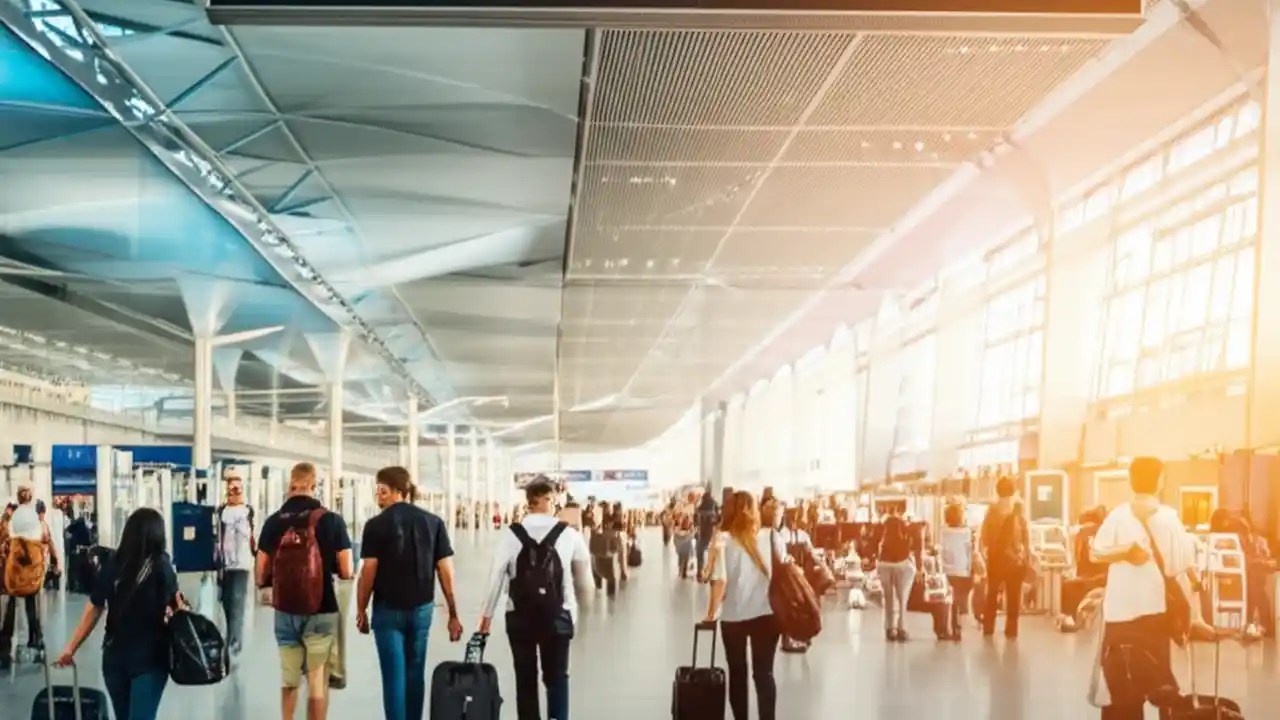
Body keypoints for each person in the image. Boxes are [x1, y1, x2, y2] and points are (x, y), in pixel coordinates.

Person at [356, 467, 463, 720]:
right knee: (415, 674)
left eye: (383, 491)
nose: (378, 496)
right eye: (377, 491)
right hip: (421, 610)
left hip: (387, 611)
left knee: (393, 677)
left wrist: (361, 609)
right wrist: (453, 613)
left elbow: (368, 571)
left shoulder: (375, 525)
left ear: (400, 492)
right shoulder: (433, 522)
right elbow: (445, 570)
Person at [55, 508, 183, 720]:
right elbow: (176, 610)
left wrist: (71, 647)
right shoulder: (162, 566)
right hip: (150, 660)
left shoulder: (113, 563)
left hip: (115, 658)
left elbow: (94, 607)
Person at [479, 477, 590, 720]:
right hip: (559, 618)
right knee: (557, 677)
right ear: (547, 499)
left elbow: (495, 577)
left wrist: (486, 617)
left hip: (519, 618)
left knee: (525, 679)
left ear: (529, 502)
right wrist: (579, 613)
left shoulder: (511, 535)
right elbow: (585, 581)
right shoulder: (569, 534)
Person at [1090, 457, 1192, 720]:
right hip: (1154, 617)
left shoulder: (1117, 515)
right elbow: (1181, 568)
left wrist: (1122, 553)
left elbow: (1095, 553)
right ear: (1159, 482)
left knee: (1120, 693)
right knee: (1159, 689)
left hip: (1118, 619)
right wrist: (1196, 616)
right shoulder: (1170, 519)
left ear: (1131, 482)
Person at [257, 463, 354, 720]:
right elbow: (346, 569)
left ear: (291, 484)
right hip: (322, 609)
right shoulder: (331, 520)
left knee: (289, 681)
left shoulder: (273, 522)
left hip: (285, 609)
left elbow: (260, 571)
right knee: (317, 682)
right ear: (313, 485)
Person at [703, 492, 785, 720]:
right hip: (767, 615)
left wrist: (710, 615)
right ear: (755, 511)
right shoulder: (772, 537)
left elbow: (718, 581)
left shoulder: (723, 540)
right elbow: (783, 570)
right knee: (764, 673)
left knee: (738, 673)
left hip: (733, 618)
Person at [0, 483, 56, 669]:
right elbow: (48, 541)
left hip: (14, 574)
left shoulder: (11, 519)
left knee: (10, 608)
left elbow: (2, 535)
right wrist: (55, 564)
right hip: (32, 574)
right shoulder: (38, 522)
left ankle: (4, 647)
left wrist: (6, 515)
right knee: (32, 607)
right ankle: (35, 640)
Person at [980, 476, 1030, 639]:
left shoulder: (992, 512)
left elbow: (985, 538)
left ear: (997, 491)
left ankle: (988, 628)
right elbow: (1025, 536)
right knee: (1013, 596)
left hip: (995, 559)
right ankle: (1012, 630)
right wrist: (1026, 555)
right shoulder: (1018, 511)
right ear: (1014, 491)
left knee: (992, 594)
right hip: (1015, 561)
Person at [215, 475, 257, 662]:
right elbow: (218, 537)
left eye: (237, 489)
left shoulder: (247, 511)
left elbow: (251, 534)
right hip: (225, 564)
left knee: (237, 602)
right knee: (226, 601)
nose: (233, 492)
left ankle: (234, 643)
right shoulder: (221, 511)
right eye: (230, 489)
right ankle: (231, 637)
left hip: (241, 563)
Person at [939, 502, 980, 641]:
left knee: (949, 599)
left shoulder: (943, 532)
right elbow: (971, 551)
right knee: (960, 600)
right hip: (963, 569)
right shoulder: (967, 532)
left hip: (947, 569)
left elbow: (942, 550)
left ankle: (947, 626)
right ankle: (958, 628)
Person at [878, 505, 916, 642]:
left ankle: (889, 629)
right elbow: (911, 545)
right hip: (902, 564)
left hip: (883, 564)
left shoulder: (882, 526)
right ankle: (901, 628)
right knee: (902, 598)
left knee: (888, 598)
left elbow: (874, 545)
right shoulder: (904, 526)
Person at [695, 491, 719, 580]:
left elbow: (696, 521)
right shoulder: (714, 506)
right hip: (711, 534)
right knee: (712, 555)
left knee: (699, 553)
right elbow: (718, 520)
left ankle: (699, 571)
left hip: (702, 534)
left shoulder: (700, 508)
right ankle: (711, 572)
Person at [674, 514, 695, 580]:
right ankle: (683, 573)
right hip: (686, 551)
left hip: (680, 550)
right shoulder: (688, 534)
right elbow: (692, 535)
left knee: (680, 561)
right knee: (686, 561)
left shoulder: (676, 534)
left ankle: (680, 572)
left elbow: (675, 540)